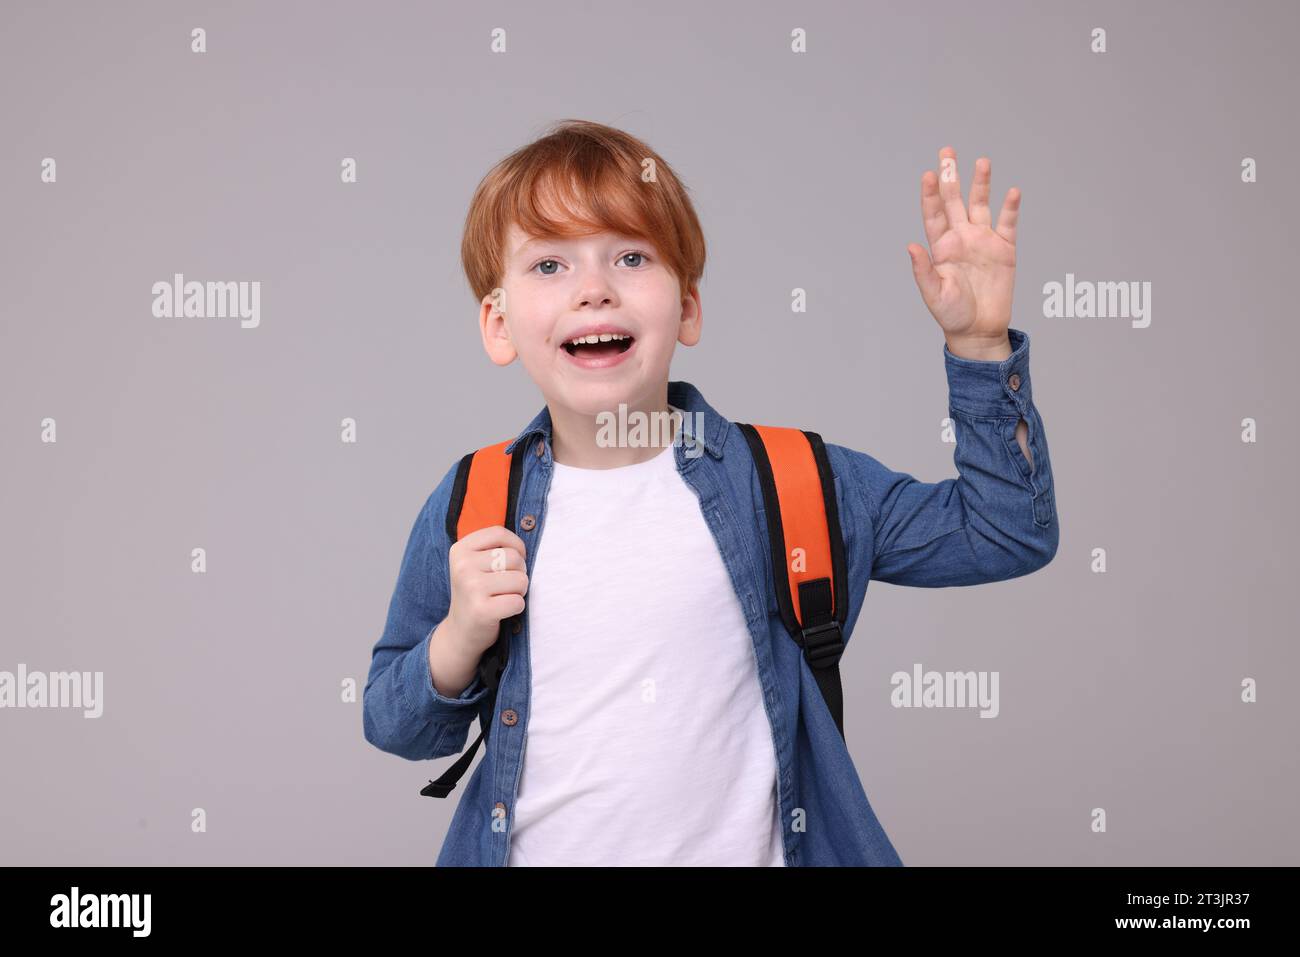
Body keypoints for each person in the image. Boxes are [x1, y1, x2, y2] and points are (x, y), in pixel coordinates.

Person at [362, 119, 1058, 866]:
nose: (594, 288)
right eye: (549, 265)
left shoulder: (792, 482)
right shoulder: (476, 499)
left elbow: (1005, 531)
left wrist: (981, 348)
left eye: (631, 256)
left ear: (687, 308)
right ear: (499, 325)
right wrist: (459, 637)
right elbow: (395, 723)